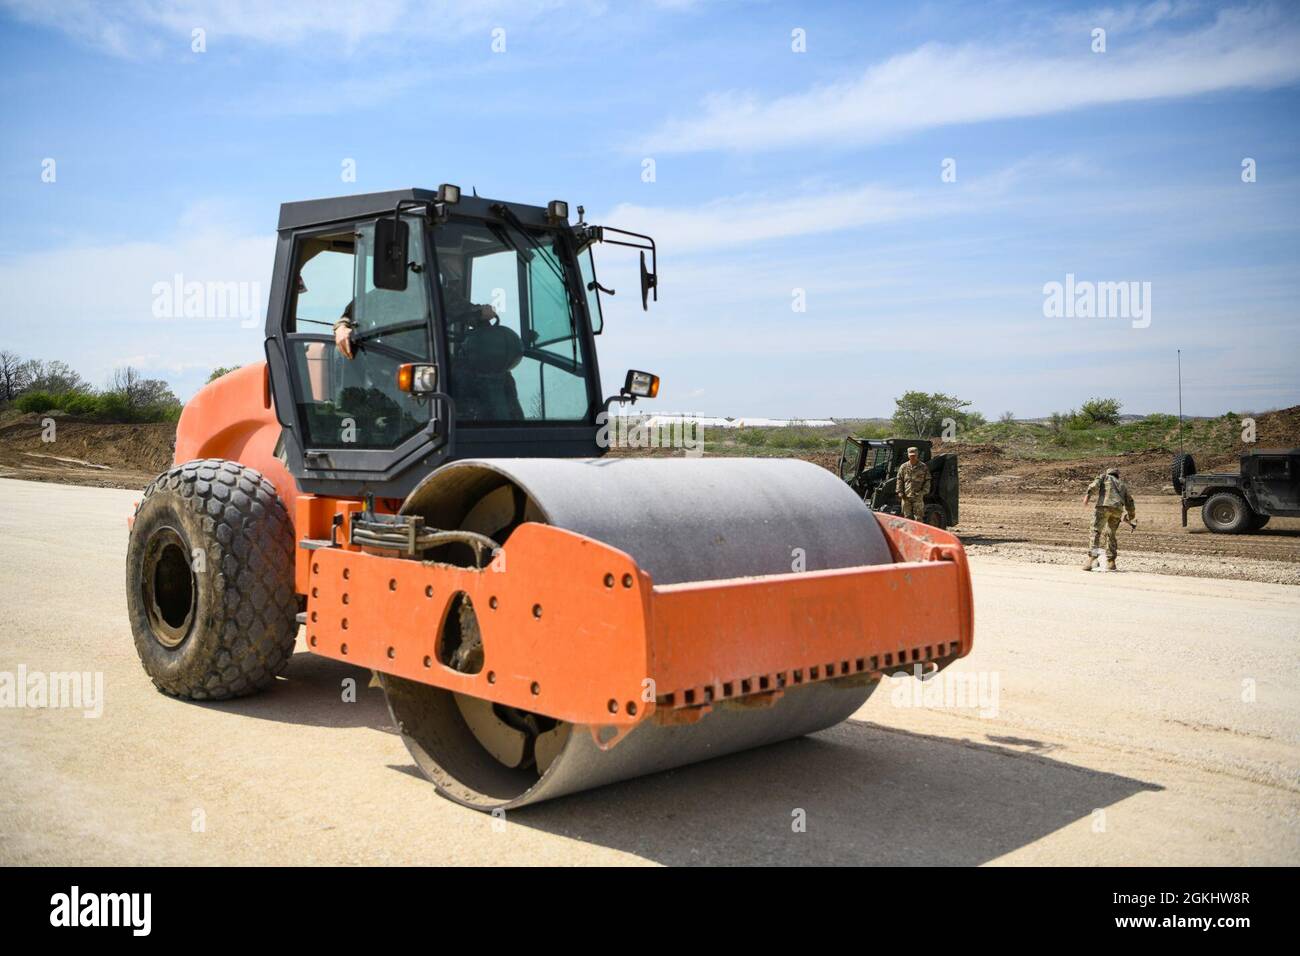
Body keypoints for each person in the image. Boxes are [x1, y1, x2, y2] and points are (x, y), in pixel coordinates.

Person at [1083, 466, 1135, 571]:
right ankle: (1111, 562)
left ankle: (1091, 559)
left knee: (1095, 531)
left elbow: (1094, 486)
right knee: (1111, 534)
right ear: (1117, 475)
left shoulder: (1104, 477)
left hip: (1104, 507)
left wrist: (1087, 496)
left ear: (1108, 473)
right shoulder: (1122, 485)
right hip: (1117, 510)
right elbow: (1130, 501)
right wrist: (1131, 515)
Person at [895, 446, 931, 521]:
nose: (913, 457)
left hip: (918, 496)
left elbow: (927, 480)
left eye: (914, 455)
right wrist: (900, 491)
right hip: (906, 496)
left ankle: (918, 532)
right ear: (908, 455)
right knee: (907, 517)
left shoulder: (923, 467)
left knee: (918, 518)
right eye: (911, 455)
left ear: (917, 455)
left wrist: (923, 492)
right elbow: (899, 479)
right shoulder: (903, 467)